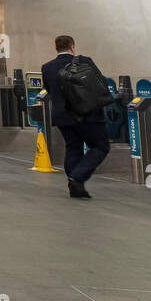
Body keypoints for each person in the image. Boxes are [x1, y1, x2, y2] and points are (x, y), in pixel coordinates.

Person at [42, 35, 112, 200]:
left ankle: (75, 186)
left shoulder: (47, 67)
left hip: (62, 116)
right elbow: (100, 82)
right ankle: (78, 177)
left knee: (73, 147)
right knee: (101, 146)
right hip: (87, 114)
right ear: (72, 47)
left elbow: (49, 89)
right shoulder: (84, 61)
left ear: (56, 48)